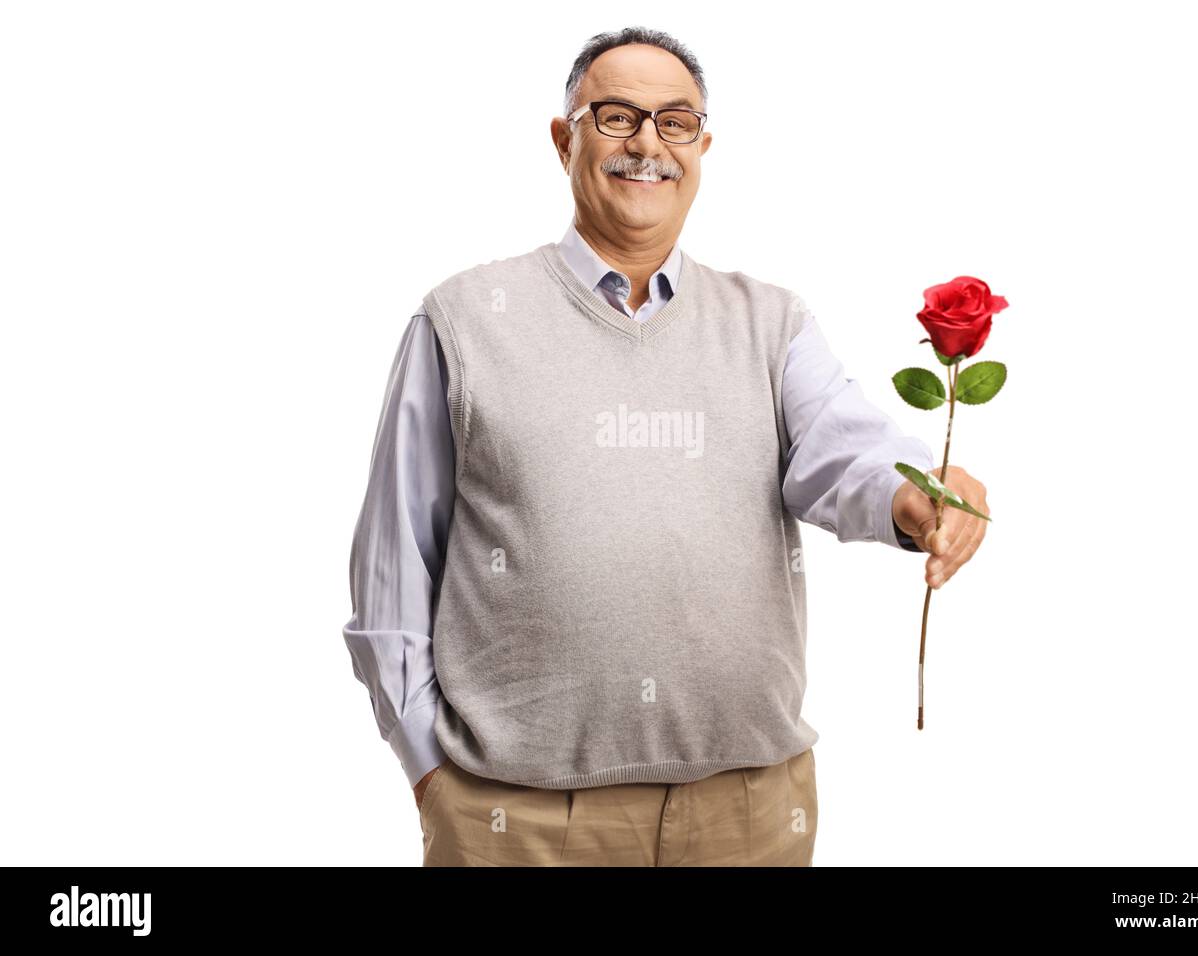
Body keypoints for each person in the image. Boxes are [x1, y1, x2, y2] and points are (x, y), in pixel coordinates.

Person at [342, 26, 990, 866]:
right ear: (563, 138)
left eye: (675, 122)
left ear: (703, 147)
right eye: (616, 117)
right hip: (517, 819)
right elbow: (391, 570)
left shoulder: (769, 322)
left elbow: (844, 451)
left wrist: (915, 497)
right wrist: (434, 777)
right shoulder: (464, 322)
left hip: (748, 813)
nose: (648, 143)